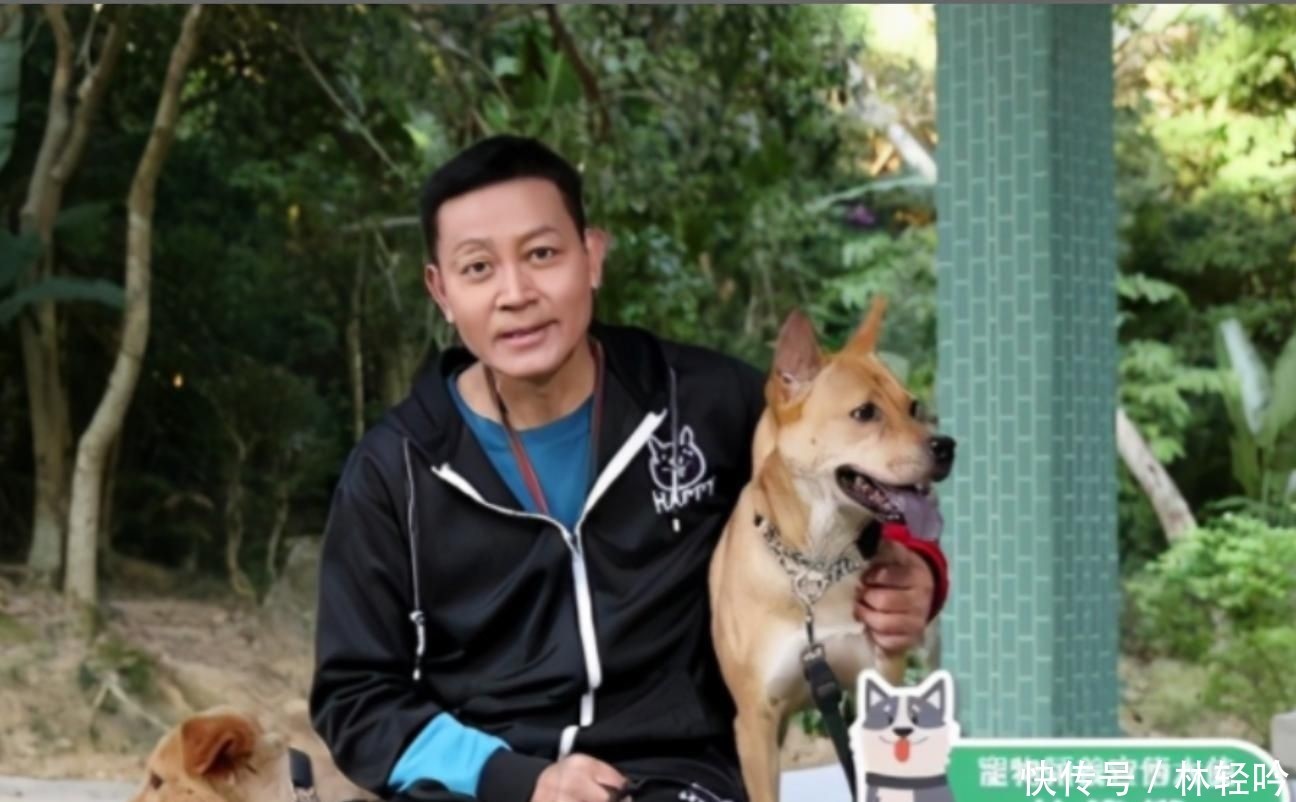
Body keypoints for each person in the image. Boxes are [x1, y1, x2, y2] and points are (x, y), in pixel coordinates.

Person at [309, 135, 949, 802]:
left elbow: (848, 473)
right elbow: (356, 700)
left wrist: (917, 573)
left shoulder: (704, 401)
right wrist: (519, 780)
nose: (515, 293)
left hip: (678, 777)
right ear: (440, 291)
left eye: (542, 254)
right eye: (478, 268)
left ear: (592, 257)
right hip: (483, 789)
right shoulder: (396, 471)